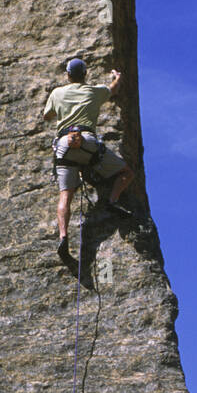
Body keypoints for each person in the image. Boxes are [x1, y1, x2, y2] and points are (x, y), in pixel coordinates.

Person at [43, 58, 134, 261]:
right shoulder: (95, 91)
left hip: (64, 145)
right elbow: (114, 89)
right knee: (127, 173)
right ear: (85, 75)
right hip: (87, 142)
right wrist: (117, 77)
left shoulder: (57, 93)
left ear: (68, 75)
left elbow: (47, 116)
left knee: (65, 196)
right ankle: (112, 200)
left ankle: (63, 235)